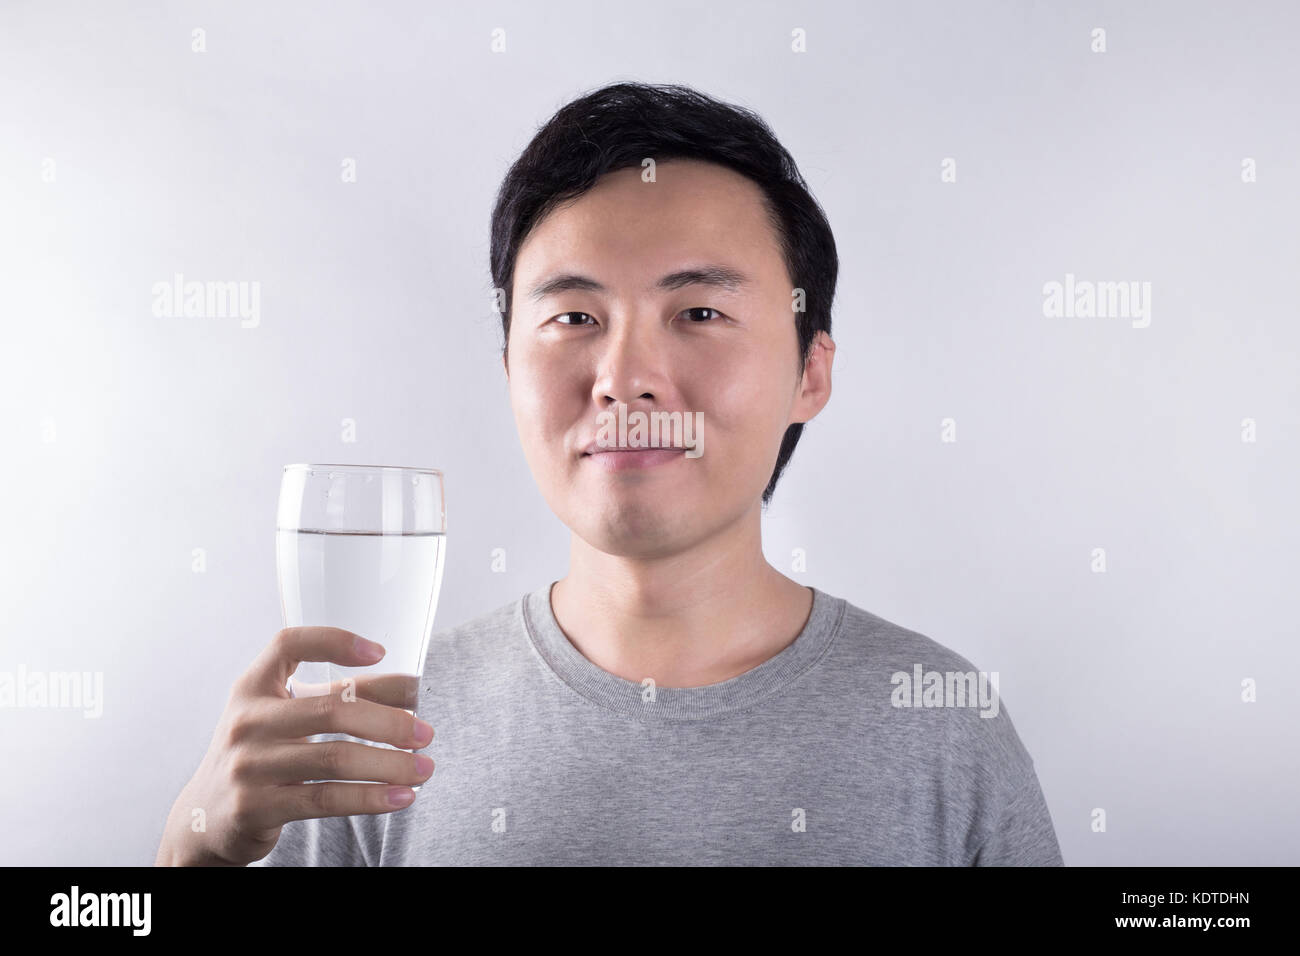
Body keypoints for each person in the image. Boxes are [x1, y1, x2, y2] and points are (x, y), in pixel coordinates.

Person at [156, 81, 1063, 866]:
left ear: (810, 372)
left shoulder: (941, 724)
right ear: (509, 366)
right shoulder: (380, 728)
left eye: (700, 309)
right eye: (575, 317)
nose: (626, 376)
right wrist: (191, 850)